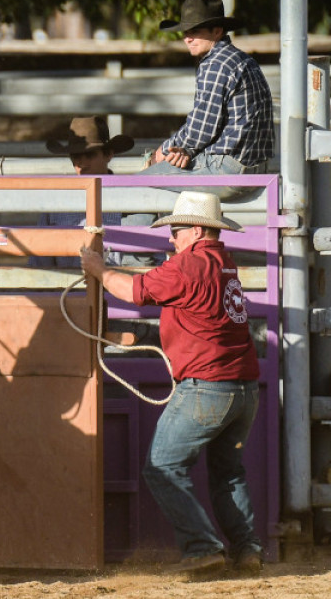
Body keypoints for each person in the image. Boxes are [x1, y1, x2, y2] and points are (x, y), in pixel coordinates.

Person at [80, 191, 262, 576]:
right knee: (228, 471)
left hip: (206, 385)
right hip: (243, 386)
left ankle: (203, 547)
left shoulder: (188, 266)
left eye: (177, 231)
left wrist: (96, 267)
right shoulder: (223, 262)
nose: (171, 239)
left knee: (162, 466)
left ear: (196, 230)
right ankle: (246, 550)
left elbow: (132, 291)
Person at [141, 0, 274, 191]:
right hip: (256, 167)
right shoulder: (244, 59)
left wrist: (161, 152)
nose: (188, 38)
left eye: (195, 31)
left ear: (217, 31)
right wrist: (185, 150)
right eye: (185, 32)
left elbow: (200, 130)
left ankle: (111, 223)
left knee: (138, 183)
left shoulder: (216, 64)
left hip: (229, 169)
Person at [34, 116, 132, 268]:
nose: (82, 163)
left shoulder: (130, 199)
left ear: (108, 154)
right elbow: (40, 262)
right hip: (65, 288)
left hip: (115, 287)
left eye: (90, 154)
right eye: (76, 156)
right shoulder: (56, 203)